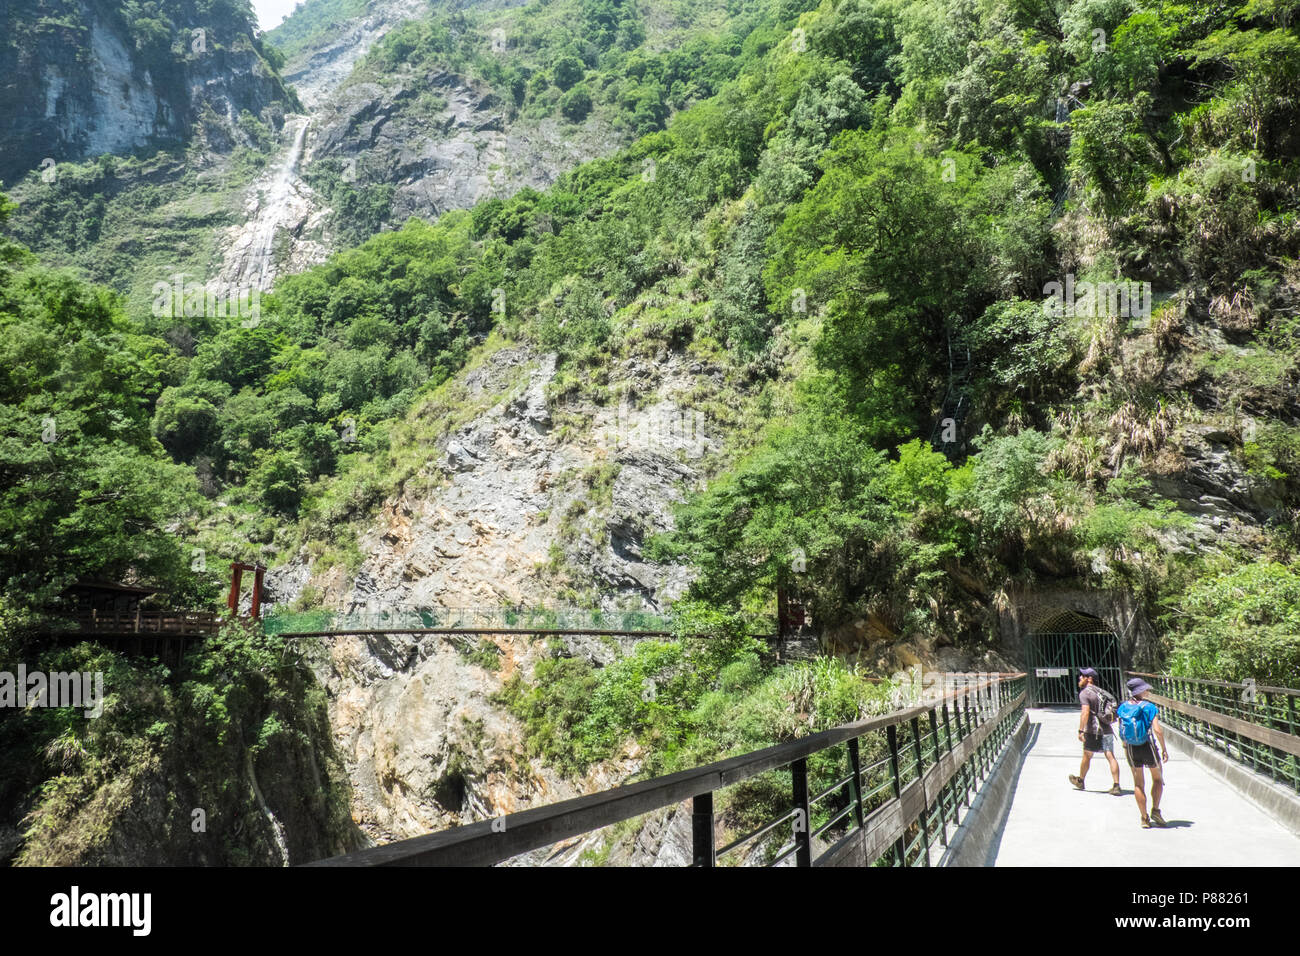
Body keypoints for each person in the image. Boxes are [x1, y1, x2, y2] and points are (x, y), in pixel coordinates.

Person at [1116, 677, 1169, 828]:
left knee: (1138, 784)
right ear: (1140, 691)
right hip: (1148, 746)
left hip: (1132, 747)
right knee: (1158, 779)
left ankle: (1144, 818)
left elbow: (1121, 729)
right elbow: (1157, 730)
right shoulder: (1149, 707)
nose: (1148, 691)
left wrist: (1125, 747)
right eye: (1146, 689)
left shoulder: (1123, 707)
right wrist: (1164, 749)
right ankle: (1156, 810)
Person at [1068, 667, 1122, 795]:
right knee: (1110, 756)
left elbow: (1085, 712)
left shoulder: (1085, 693)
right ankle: (1116, 785)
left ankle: (1080, 781)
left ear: (1089, 679)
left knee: (1087, 755)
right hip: (1107, 729)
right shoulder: (1102, 692)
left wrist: (1081, 730)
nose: (1080, 678)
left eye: (1082, 676)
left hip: (1093, 729)